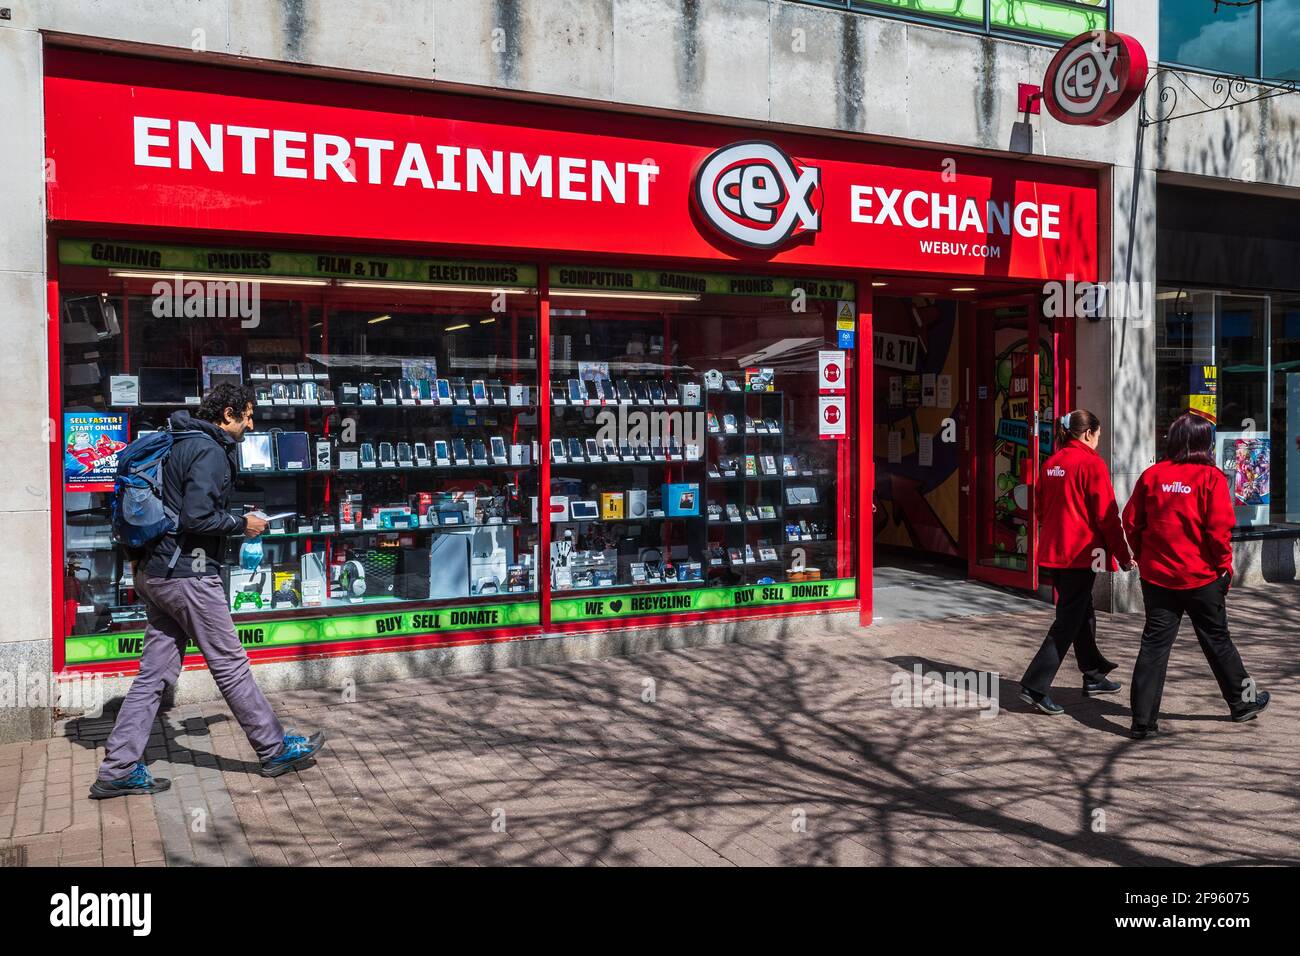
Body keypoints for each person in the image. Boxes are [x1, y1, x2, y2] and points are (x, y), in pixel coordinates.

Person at [91, 383, 326, 799]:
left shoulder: (175, 440)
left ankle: (118, 768)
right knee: (230, 664)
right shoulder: (209, 450)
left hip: (156, 571)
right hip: (189, 576)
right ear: (229, 413)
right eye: (248, 416)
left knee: (154, 676)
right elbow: (197, 517)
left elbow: (172, 508)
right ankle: (273, 748)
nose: (250, 424)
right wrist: (243, 525)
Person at [1122, 411, 1270, 739]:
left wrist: (1141, 553)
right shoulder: (1211, 479)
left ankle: (1142, 722)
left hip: (1158, 575)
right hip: (1201, 576)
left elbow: (1130, 520)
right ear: (1204, 442)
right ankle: (1243, 703)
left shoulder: (1153, 476)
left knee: (1154, 644)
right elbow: (1218, 531)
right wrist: (1223, 568)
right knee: (1218, 640)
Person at [1018, 409, 1132, 715]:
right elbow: (1108, 517)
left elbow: (1040, 510)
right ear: (1088, 433)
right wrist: (1123, 554)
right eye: (1098, 435)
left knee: (1081, 611)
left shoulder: (1052, 462)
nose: (1098, 441)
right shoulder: (1091, 464)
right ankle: (1035, 684)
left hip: (1056, 552)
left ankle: (1093, 673)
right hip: (1081, 554)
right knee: (1069, 619)